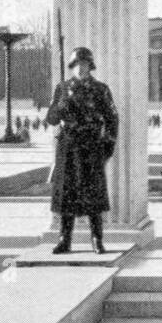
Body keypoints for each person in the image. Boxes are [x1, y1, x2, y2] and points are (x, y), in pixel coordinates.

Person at [46, 45, 119, 255]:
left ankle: (97, 239)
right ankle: (64, 239)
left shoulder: (100, 89)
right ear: (71, 66)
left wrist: (108, 145)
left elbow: (112, 118)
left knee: (93, 194)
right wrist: (58, 106)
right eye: (77, 64)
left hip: (91, 145)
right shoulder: (61, 89)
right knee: (66, 195)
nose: (81, 68)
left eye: (85, 64)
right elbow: (51, 119)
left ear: (90, 66)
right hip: (68, 145)